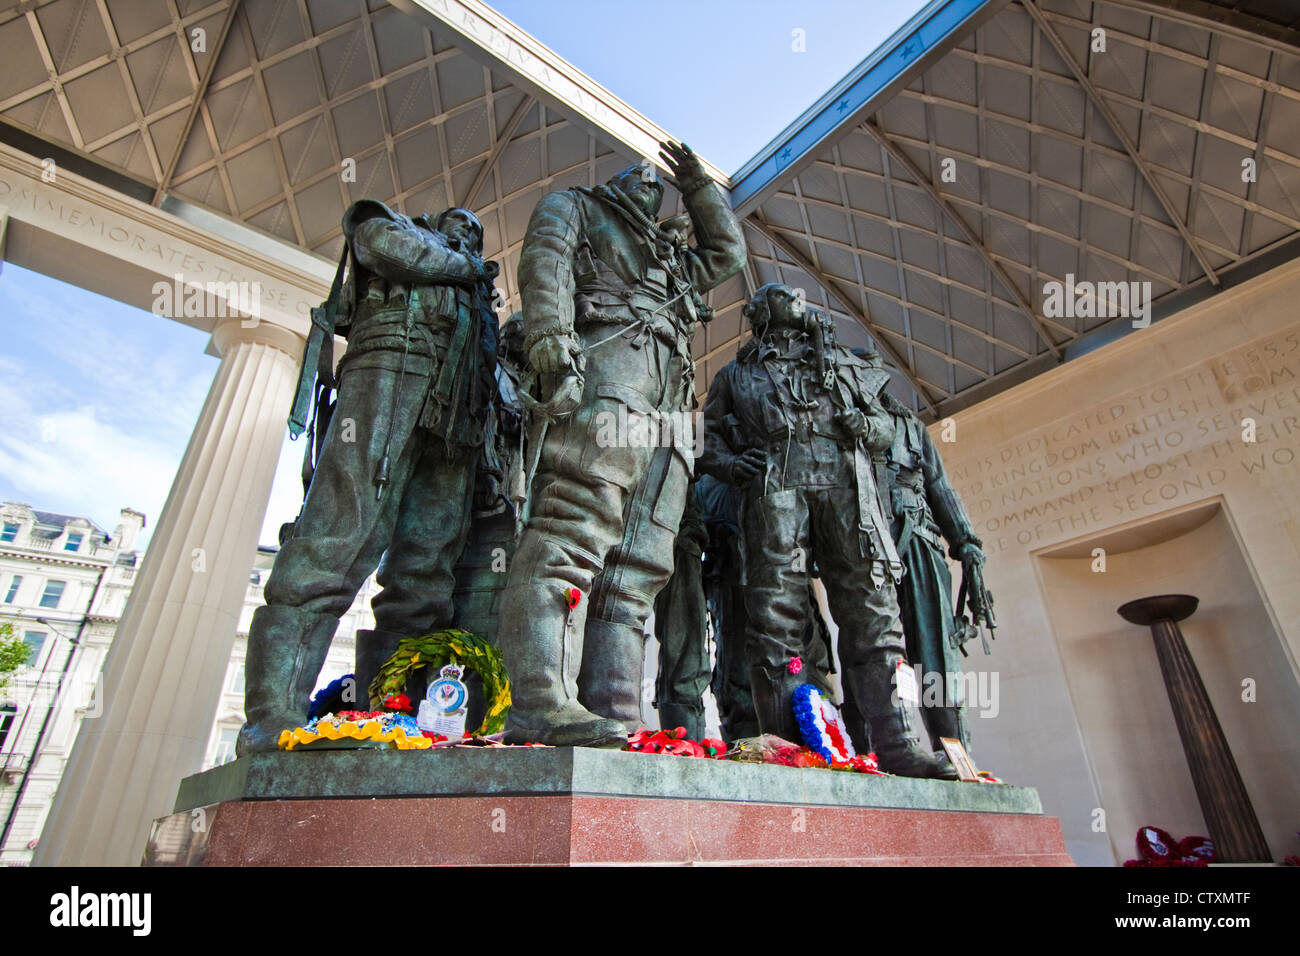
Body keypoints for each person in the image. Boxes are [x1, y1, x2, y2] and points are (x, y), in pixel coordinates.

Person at [495, 140, 746, 746]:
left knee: (640, 567)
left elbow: (728, 254)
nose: (648, 186)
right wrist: (550, 335)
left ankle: (614, 713)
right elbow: (546, 258)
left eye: (657, 186)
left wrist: (700, 189)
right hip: (612, 373)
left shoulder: (670, 253)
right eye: (639, 178)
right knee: (573, 528)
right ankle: (538, 701)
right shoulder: (578, 206)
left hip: (669, 403)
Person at [237, 202, 499, 755]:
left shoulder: (480, 293)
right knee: (337, 537)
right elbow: (383, 246)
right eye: (461, 224)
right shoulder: (393, 225)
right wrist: (466, 268)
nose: (471, 235)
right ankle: (272, 717)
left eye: (476, 233)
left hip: (456, 414)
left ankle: (396, 716)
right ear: (437, 221)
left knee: (426, 569)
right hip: (387, 376)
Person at [698, 283, 956, 778]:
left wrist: (867, 428)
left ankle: (899, 743)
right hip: (775, 492)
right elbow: (704, 437)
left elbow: (888, 427)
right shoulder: (735, 374)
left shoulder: (848, 364)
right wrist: (731, 464)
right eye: (775, 297)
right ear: (757, 315)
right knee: (775, 620)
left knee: (876, 617)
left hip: (848, 490)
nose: (788, 301)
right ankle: (790, 749)